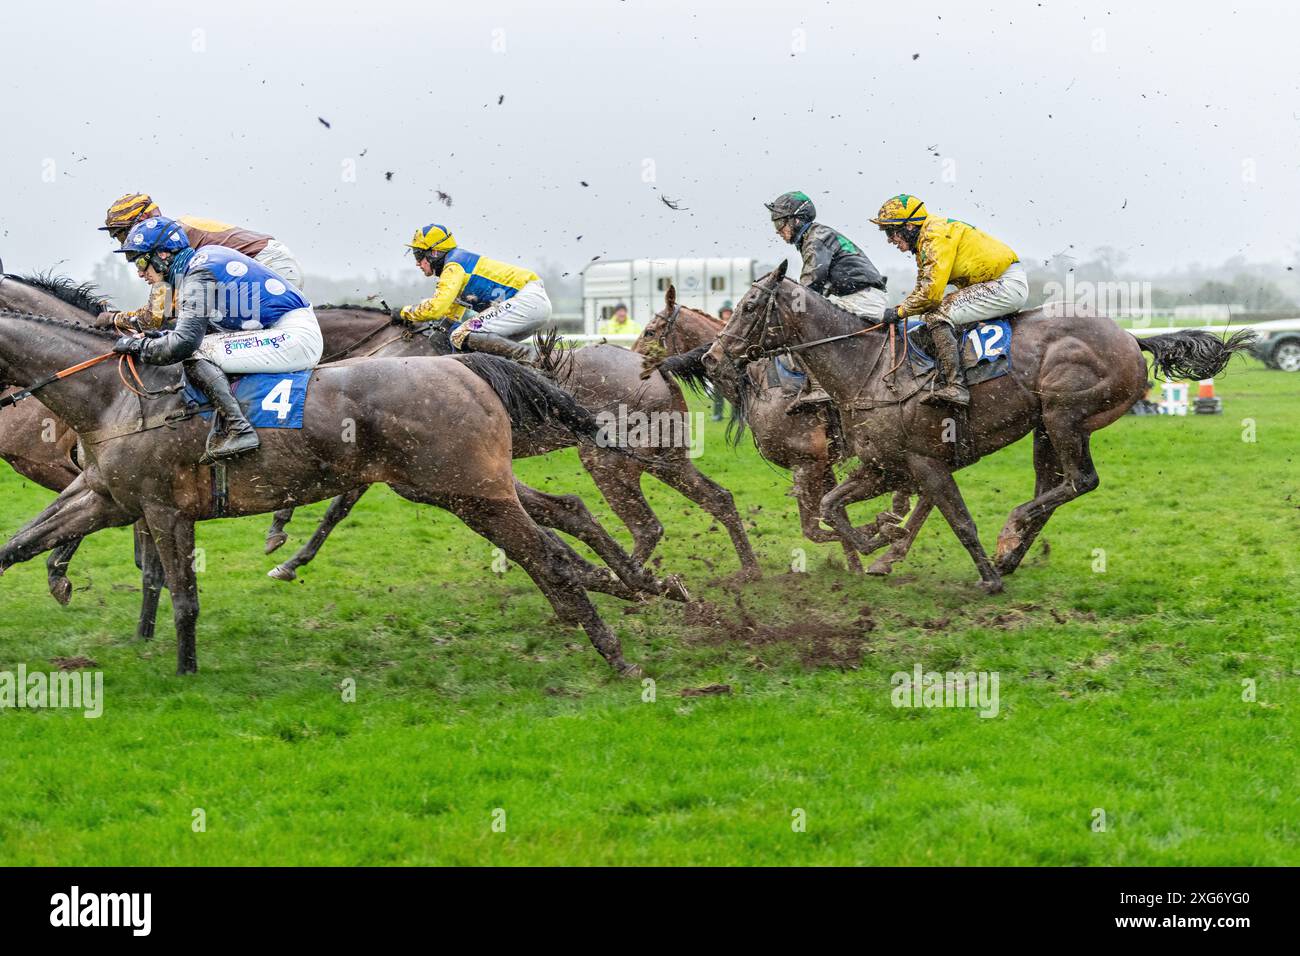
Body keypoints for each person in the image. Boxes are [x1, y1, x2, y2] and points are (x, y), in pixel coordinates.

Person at [111, 217, 323, 461]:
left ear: (164, 254)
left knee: (196, 352)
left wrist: (139, 346)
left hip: (294, 336)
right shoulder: (200, 262)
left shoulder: (198, 273)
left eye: (140, 261)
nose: (139, 272)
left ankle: (239, 429)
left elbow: (184, 343)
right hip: (286, 330)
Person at [870, 194, 1028, 407]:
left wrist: (898, 313)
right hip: (997, 283)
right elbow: (922, 287)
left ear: (908, 226)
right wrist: (902, 308)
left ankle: (956, 386)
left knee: (936, 313)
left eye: (891, 232)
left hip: (1005, 285)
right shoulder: (926, 238)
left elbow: (930, 296)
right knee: (933, 314)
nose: (890, 239)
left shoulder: (935, 235)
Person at [96, 192, 305, 331]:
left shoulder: (166, 242)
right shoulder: (172, 234)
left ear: (141, 222)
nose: (125, 243)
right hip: (271, 260)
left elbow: (156, 316)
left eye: (122, 234)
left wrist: (114, 319)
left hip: (269, 264)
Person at [764, 191, 888, 412]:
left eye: (780, 224)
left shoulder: (816, 238)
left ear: (797, 219)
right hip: (857, 295)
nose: (778, 231)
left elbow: (810, 285)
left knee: (801, 325)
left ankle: (820, 387)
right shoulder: (814, 236)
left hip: (862, 299)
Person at [395, 223, 552, 363]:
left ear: (434, 252)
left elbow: (435, 309)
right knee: (477, 346)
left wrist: (404, 313)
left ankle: (530, 356)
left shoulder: (453, 267)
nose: (417, 263)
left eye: (418, 255)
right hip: (529, 302)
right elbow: (451, 314)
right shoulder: (456, 263)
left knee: (460, 335)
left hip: (525, 302)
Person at [711, 301, 733, 422]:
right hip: (720, 362)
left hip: (733, 362)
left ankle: (736, 415)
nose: (727, 314)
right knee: (718, 390)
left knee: (735, 391)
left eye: (728, 312)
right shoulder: (716, 325)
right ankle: (717, 414)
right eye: (725, 312)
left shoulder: (735, 324)